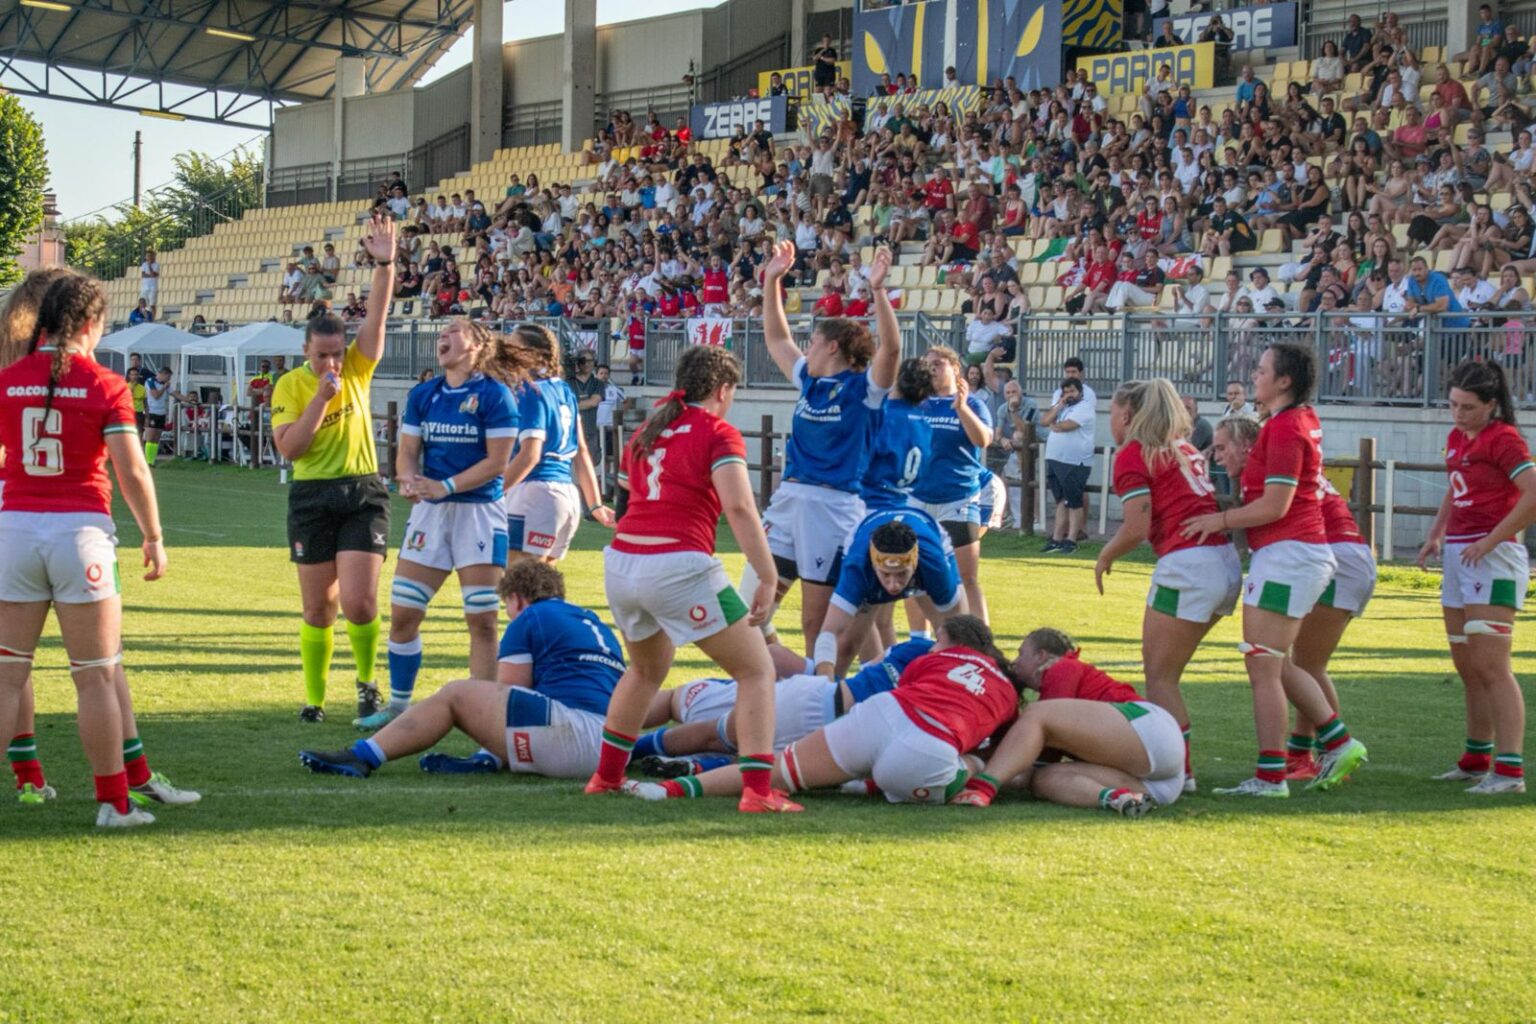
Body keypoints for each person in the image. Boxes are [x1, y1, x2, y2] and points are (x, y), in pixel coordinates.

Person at [0, 270, 197, 815]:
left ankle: (45, 777)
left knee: (8, 674)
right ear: (91, 323)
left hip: (13, 530)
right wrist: (154, 535)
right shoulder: (106, 385)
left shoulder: (8, 378)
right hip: (80, 535)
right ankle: (116, 804)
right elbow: (132, 470)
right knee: (97, 676)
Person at [584, 345, 797, 813]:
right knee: (757, 669)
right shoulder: (718, 431)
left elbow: (627, 501)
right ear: (723, 389)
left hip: (622, 561)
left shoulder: (647, 429)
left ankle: (605, 777)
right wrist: (765, 574)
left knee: (644, 671)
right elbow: (739, 507)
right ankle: (759, 792)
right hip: (676, 564)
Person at [1181, 343, 1369, 797]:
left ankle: (1276, 775)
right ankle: (1328, 745)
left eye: (1262, 369)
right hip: (1295, 553)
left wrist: (1220, 519)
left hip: (1290, 553)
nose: (1255, 375)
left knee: (1264, 666)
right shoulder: (1294, 421)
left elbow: (1277, 504)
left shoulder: (1285, 427)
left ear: (1284, 381)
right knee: (1272, 661)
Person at [624, 616, 1019, 805]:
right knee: (717, 728)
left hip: (847, 710)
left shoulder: (927, 655)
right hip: (829, 709)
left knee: (758, 758)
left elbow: (858, 655)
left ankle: (666, 779)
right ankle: (649, 755)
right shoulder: (998, 691)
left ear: (949, 643)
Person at [299, 562, 623, 781]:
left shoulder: (530, 618)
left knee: (457, 694)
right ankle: (486, 760)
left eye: (506, 605)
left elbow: (509, 697)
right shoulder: (595, 624)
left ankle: (362, 755)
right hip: (610, 747)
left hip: (570, 738)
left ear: (517, 599)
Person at [356, 319, 521, 731]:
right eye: (440, 333)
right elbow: (407, 451)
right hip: (431, 513)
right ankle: (398, 706)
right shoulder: (424, 394)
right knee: (404, 614)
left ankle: (484, 712)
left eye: (453, 330)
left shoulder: (495, 395)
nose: (442, 337)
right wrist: (409, 478)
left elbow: (498, 463)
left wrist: (444, 485)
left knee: (481, 619)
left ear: (476, 344)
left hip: (479, 515)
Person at [271, 213, 397, 723]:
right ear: (305, 351)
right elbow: (291, 450)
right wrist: (321, 400)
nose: (331, 364)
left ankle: (368, 684)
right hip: (312, 497)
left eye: (335, 354)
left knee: (362, 604)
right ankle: (314, 699)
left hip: (362, 493)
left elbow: (378, 319)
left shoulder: (358, 367)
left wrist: (385, 262)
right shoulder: (291, 387)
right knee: (317, 610)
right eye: (321, 355)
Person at [748, 242, 898, 656]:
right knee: (749, 611)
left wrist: (879, 292)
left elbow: (892, 350)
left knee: (815, 624)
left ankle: (823, 694)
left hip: (831, 508)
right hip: (789, 500)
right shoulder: (810, 383)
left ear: (833, 347)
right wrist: (772, 279)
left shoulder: (863, 390)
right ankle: (787, 677)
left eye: (813, 340)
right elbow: (775, 336)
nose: (806, 347)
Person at [1094, 380, 1240, 793]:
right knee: (1166, 673)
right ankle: (1185, 768)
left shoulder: (1133, 454)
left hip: (1188, 564)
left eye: (1112, 415)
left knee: (1160, 677)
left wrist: (1105, 555)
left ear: (1125, 416)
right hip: (1221, 561)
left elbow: (1137, 527)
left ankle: (1180, 771)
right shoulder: (1183, 446)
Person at [1212, 416, 1377, 781]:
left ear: (1246, 445)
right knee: (1291, 662)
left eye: (1222, 447)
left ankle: (1325, 752)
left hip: (1334, 556)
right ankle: (1310, 754)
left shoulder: (1271, 460)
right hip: (1341, 554)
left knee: (1295, 663)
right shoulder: (1273, 459)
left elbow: (1276, 510)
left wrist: (1220, 520)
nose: (1216, 457)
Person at [1417, 360, 1534, 794]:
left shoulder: (1504, 438)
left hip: (1493, 557)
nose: (1458, 414)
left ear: (1491, 405)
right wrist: (1435, 533)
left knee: (1492, 666)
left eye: (1467, 407)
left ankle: (1509, 771)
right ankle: (1475, 759)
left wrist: (1492, 539)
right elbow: (1456, 484)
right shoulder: (1458, 437)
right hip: (1460, 553)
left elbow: (1533, 492)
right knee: (1467, 665)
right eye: (1452, 405)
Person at [951, 628, 1185, 815]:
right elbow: (1039, 761)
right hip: (1160, 784)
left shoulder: (1063, 667)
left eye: (1022, 653)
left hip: (1148, 726)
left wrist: (986, 765)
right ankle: (1119, 799)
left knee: (1037, 713)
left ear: (1041, 656)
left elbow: (1040, 737)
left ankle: (981, 788)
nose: (1016, 662)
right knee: (1044, 779)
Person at [628, 638, 936, 777]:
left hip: (814, 700)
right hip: (842, 728)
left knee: (716, 730)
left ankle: (621, 749)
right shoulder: (939, 672)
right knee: (770, 762)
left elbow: (776, 655)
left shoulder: (920, 651)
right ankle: (697, 767)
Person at [502, 324, 614, 564]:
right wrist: (594, 504)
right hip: (566, 496)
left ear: (533, 355)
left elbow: (530, 455)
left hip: (535, 494)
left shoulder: (529, 391)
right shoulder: (563, 389)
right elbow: (581, 452)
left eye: (514, 346)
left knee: (519, 587)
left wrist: (492, 492)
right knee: (540, 587)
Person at [813, 509, 964, 677]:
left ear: (914, 564)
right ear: (873, 563)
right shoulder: (858, 567)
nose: (893, 586)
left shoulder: (935, 568)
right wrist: (823, 682)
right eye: (886, 574)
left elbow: (958, 632)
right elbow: (829, 632)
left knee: (954, 638)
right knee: (847, 645)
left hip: (928, 544)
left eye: (901, 574)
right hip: (866, 543)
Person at [910, 346, 993, 623]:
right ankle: (921, 640)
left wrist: (962, 408)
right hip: (918, 498)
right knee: (914, 574)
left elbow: (983, 441)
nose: (931, 368)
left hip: (958, 497)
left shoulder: (974, 404)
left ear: (955, 368)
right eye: (927, 363)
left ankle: (982, 643)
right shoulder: (918, 402)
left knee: (966, 577)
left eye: (938, 363)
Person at [1040, 377, 1094, 554]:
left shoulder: (1085, 407)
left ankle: (1071, 539)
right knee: (1061, 500)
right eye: (1065, 392)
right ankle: (1056, 538)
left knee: (1074, 501)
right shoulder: (1062, 407)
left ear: (1080, 392)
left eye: (1072, 391)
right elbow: (1044, 421)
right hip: (1055, 459)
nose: (1068, 395)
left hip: (1074, 461)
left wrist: (1057, 425)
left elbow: (1068, 425)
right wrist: (1059, 406)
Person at [142, 367, 173, 465]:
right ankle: (147, 461)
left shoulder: (165, 384)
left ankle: (152, 460)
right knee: (150, 437)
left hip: (162, 413)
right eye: (168, 376)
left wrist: (188, 400)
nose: (169, 379)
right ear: (163, 374)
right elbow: (156, 395)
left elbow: (175, 394)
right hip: (152, 412)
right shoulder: (151, 381)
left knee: (156, 438)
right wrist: (164, 388)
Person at [138, 248, 159, 318]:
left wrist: (149, 266)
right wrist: (150, 275)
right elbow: (143, 275)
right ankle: (145, 317)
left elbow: (153, 274)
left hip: (153, 287)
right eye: (147, 256)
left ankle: (153, 318)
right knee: (143, 303)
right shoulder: (144, 264)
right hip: (144, 287)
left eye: (150, 256)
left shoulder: (156, 265)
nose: (148, 258)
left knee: (152, 304)